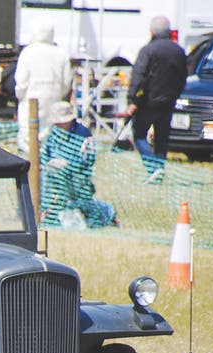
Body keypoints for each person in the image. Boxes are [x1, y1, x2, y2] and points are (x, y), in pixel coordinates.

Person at [126, 15, 187, 183]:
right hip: (168, 101)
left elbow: (138, 76)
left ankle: (154, 168)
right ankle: (159, 170)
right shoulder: (179, 51)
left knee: (139, 135)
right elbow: (183, 76)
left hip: (147, 102)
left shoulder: (149, 50)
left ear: (152, 31)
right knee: (161, 138)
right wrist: (175, 95)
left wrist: (132, 101)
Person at [40, 101, 117, 228]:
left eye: (62, 121)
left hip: (78, 177)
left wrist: (68, 165)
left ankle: (107, 212)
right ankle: (50, 218)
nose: (59, 124)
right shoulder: (51, 133)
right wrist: (47, 164)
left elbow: (88, 159)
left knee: (83, 204)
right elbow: (44, 153)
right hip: (53, 175)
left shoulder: (83, 133)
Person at [14, 18, 72, 153]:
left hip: (30, 102)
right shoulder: (61, 54)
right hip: (53, 102)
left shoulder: (28, 52)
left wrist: (20, 96)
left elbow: (21, 82)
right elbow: (66, 84)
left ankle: (30, 170)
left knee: (28, 140)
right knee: (50, 141)